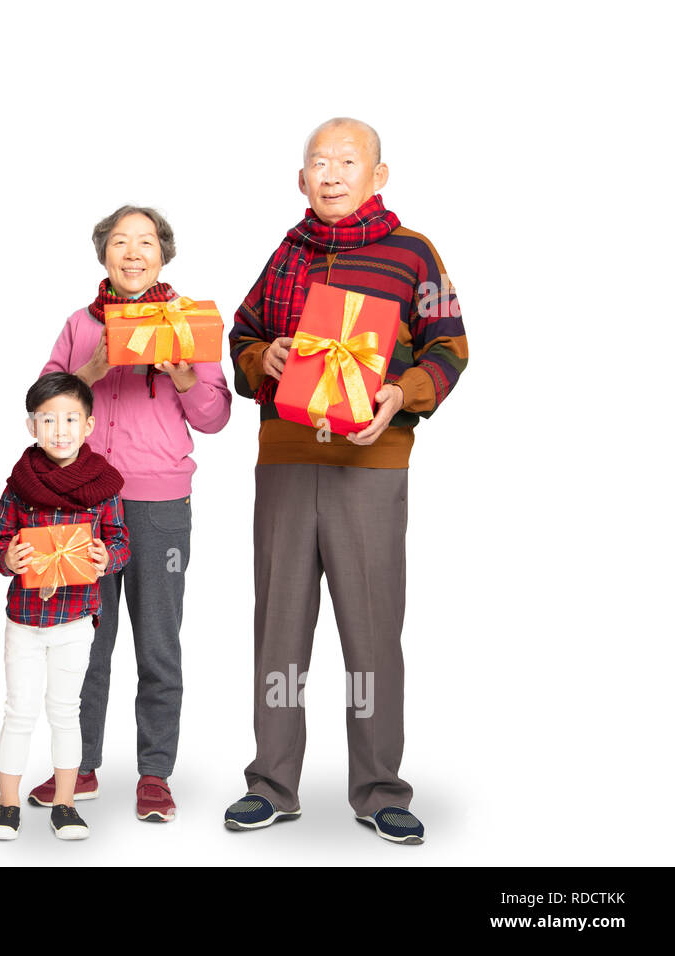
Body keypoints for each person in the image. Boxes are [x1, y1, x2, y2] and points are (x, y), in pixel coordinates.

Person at [225, 118, 468, 845]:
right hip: (287, 465)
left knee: (369, 635)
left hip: (371, 468)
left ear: (379, 175)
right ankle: (272, 782)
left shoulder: (412, 254)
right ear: (301, 180)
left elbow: (451, 346)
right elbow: (241, 335)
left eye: (347, 161)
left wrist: (403, 393)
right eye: (317, 163)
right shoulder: (286, 255)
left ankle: (379, 788)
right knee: (280, 634)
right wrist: (263, 357)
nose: (330, 174)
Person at [32, 206, 232, 822]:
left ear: (164, 255)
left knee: (158, 641)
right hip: (82, 499)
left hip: (160, 504)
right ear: (104, 254)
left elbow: (216, 416)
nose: (133, 252)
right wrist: (92, 370)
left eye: (146, 242)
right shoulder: (78, 323)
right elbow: (42, 406)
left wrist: (181, 378)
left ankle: (154, 773)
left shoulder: (191, 324)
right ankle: (80, 765)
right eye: (121, 241)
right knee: (82, 640)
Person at [0, 372, 131, 841]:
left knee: (65, 710)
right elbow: (0, 546)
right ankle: (7, 805)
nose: (60, 429)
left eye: (71, 418)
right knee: (19, 711)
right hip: (24, 621)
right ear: (32, 427)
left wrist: (107, 557)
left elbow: (121, 543)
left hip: (75, 619)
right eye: (48, 420)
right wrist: (7, 557)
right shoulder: (19, 484)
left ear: (89, 425)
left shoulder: (103, 485)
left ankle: (66, 804)